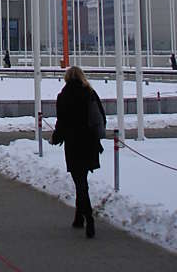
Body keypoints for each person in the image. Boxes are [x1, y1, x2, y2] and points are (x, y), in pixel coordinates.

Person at [50, 65, 106, 239]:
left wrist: (56, 137)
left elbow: (62, 121)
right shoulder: (90, 93)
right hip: (89, 141)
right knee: (82, 180)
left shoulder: (64, 96)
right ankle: (79, 218)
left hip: (73, 143)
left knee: (80, 181)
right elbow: (101, 116)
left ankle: (88, 218)